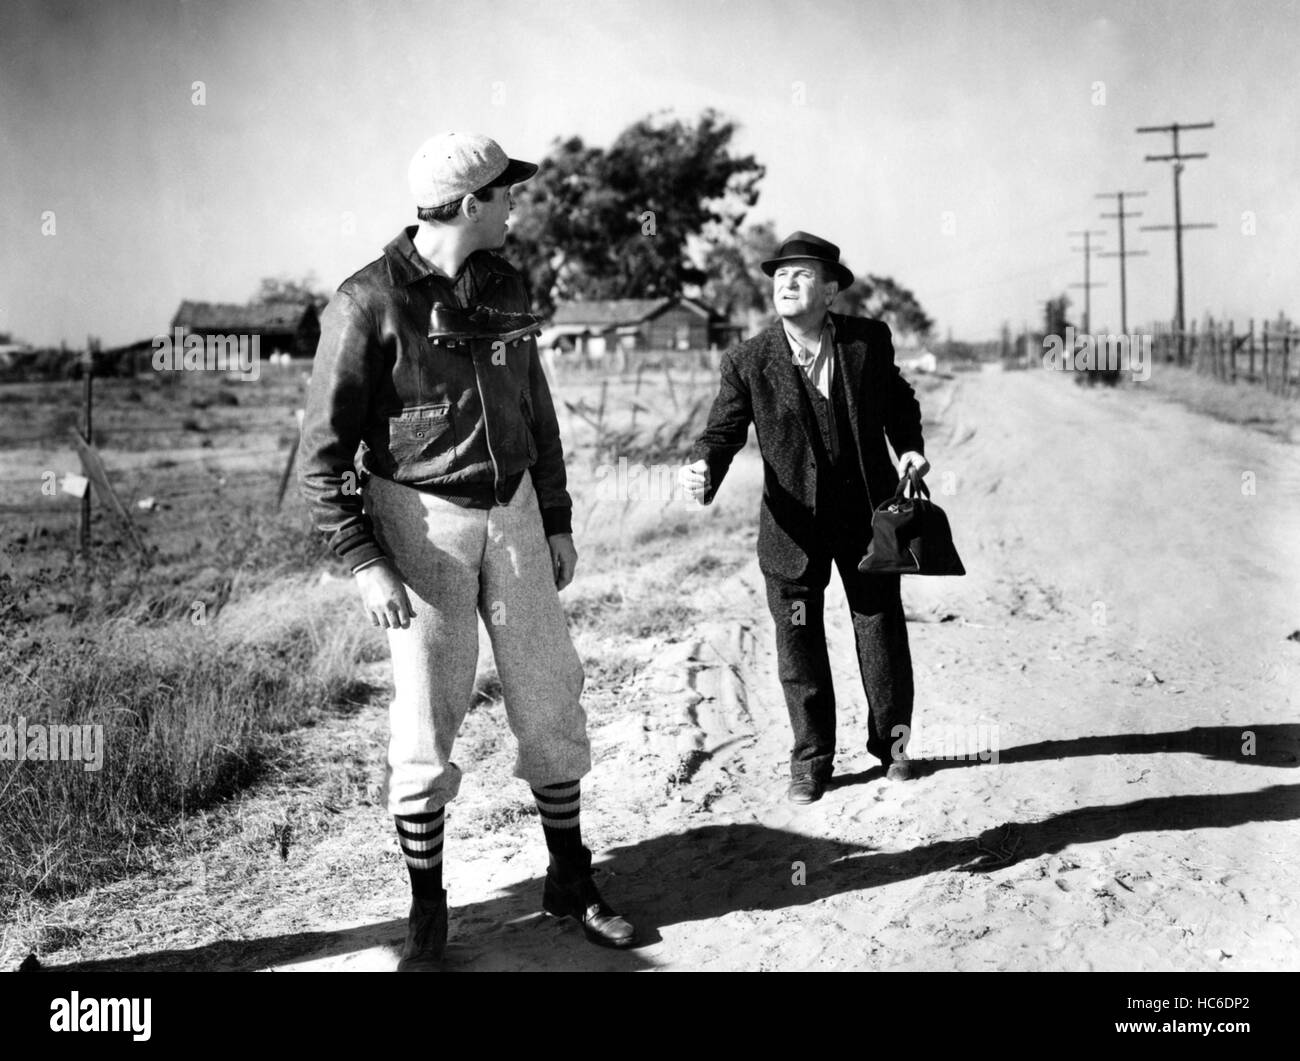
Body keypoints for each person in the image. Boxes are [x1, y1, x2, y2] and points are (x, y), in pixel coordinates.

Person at [298, 132, 636, 970]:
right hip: (418, 522)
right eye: (506, 192)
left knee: (550, 693)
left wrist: (553, 516)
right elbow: (323, 454)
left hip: (514, 509)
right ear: (470, 203)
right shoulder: (366, 301)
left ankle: (568, 877)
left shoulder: (505, 284)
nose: (517, 203)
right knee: (424, 719)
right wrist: (363, 557)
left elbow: (538, 409)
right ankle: (427, 911)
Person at [681, 231, 930, 805]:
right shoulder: (748, 359)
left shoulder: (868, 343)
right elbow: (721, 432)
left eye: (802, 274)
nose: (786, 284)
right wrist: (702, 468)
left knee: (880, 630)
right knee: (797, 641)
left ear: (832, 290)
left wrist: (908, 447)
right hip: (792, 527)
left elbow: (899, 401)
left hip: (866, 520)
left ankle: (892, 749)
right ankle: (811, 761)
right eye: (779, 276)